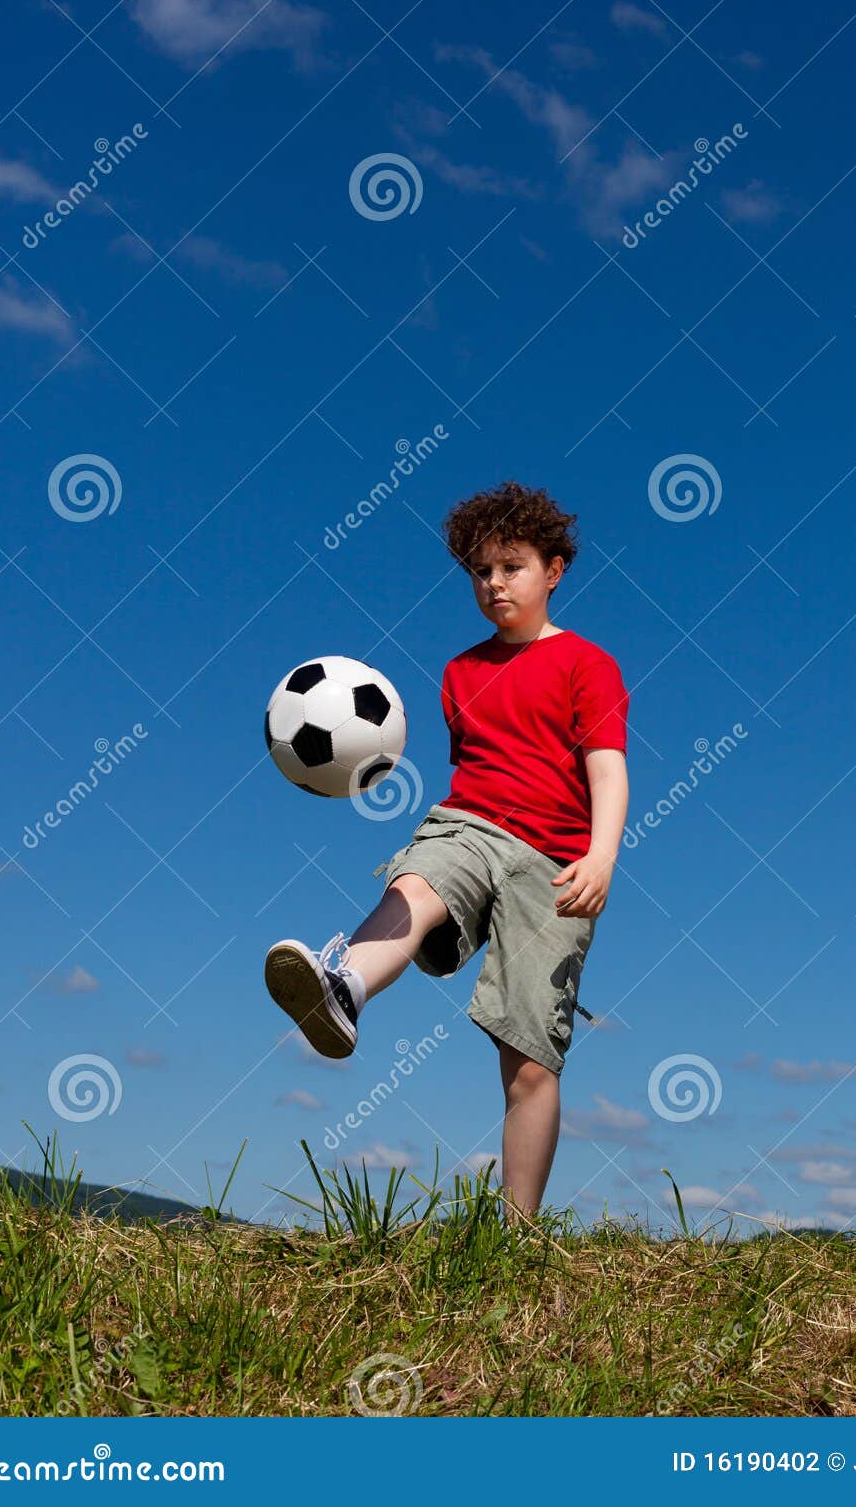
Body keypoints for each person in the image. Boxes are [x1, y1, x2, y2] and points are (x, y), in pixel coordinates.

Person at [264, 480, 629, 1221]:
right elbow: (480, 768)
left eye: (512, 567)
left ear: (554, 571)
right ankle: (344, 988)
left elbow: (608, 769)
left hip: (555, 862)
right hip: (470, 824)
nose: (495, 584)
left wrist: (602, 857)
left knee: (529, 1061)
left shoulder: (587, 664)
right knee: (418, 883)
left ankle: (517, 1236)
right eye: (480, 571)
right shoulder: (461, 672)